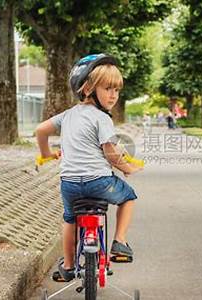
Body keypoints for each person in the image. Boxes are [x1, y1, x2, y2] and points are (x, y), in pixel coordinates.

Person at [35, 53, 143, 282]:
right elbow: (110, 153)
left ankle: (68, 266)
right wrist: (127, 168)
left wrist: (46, 154)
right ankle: (120, 243)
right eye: (108, 88)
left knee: (69, 219)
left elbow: (41, 131)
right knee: (129, 198)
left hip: (70, 184)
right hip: (99, 182)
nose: (113, 95)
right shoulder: (102, 118)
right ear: (87, 89)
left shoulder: (66, 116)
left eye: (117, 89)